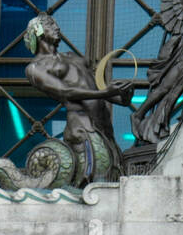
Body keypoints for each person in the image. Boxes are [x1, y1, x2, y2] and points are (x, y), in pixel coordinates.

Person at [22, 13, 134, 184]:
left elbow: (97, 89)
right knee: (98, 184)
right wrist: (107, 93)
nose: (57, 28)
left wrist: (124, 95)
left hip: (104, 129)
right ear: (38, 31)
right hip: (83, 130)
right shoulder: (35, 68)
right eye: (51, 24)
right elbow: (66, 92)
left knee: (113, 181)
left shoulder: (71, 56)